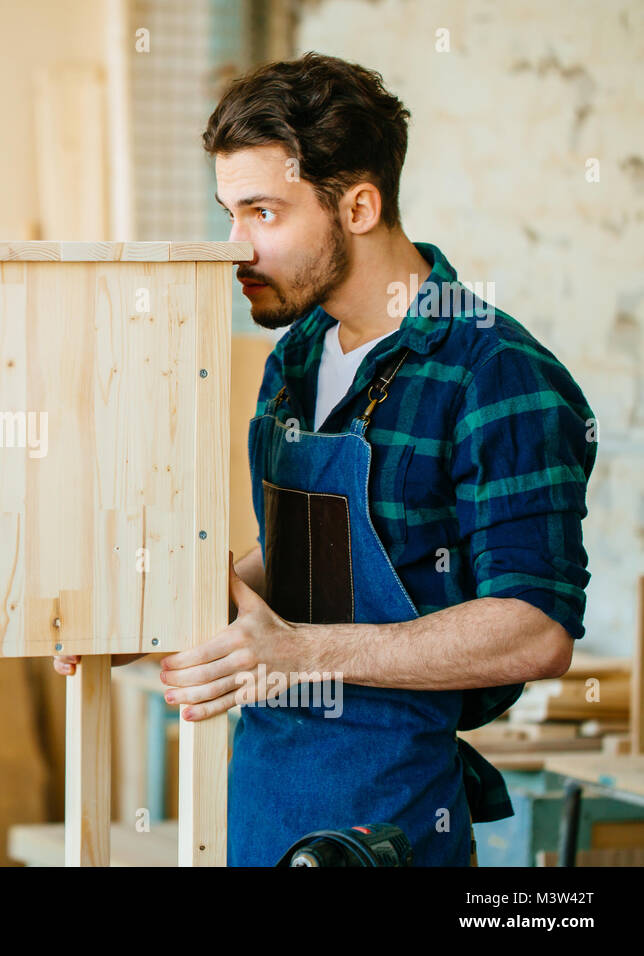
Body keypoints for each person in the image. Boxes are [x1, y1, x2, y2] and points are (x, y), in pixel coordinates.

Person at [55, 52, 596, 867]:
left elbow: (536, 628)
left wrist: (302, 652)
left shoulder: (494, 373)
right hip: (267, 786)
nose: (235, 247)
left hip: (392, 821)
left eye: (263, 213)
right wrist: (166, 608)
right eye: (228, 213)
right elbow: (305, 554)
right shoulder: (299, 354)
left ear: (359, 205)